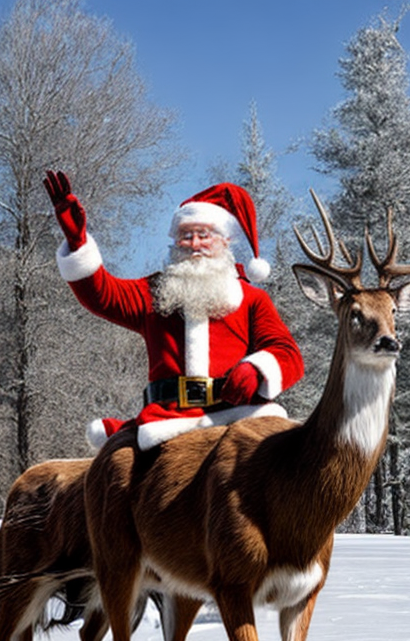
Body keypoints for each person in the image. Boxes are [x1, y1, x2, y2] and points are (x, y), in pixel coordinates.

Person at [43, 170, 304, 452]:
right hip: (166, 423)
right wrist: (78, 243)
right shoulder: (154, 292)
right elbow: (102, 296)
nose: (194, 245)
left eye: (203, 235)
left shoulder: (251, 299)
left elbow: (287, 352)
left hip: (239, 417)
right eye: (185, 236)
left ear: (225, 240)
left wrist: (256, 370)